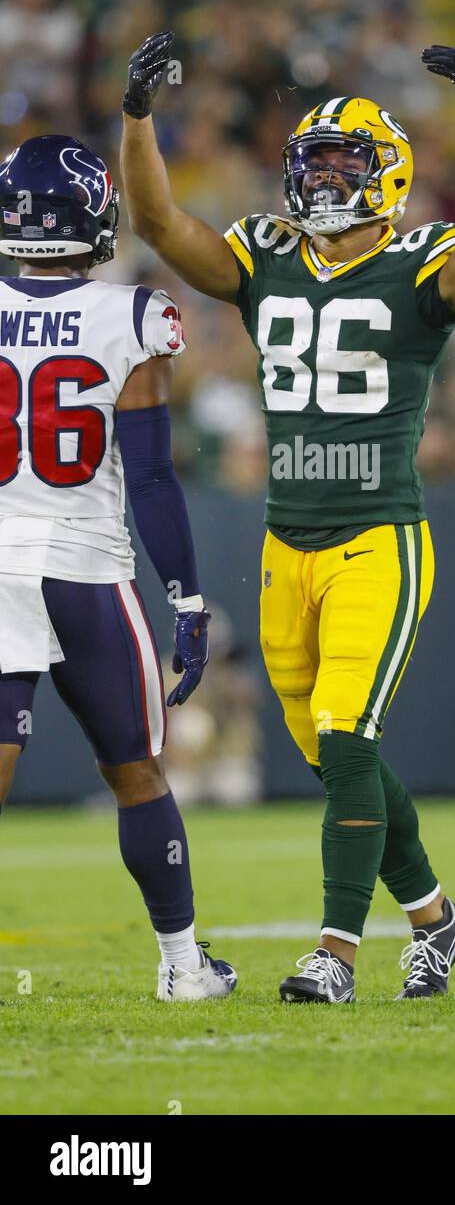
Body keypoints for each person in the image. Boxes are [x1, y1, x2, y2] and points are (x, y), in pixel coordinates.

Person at [120, 34, 455, 1002]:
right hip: (285, 542)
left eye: (347, 164)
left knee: (347, 739)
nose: (326, 181)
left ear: (387, 177)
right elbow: (155, 218)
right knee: (331, 754)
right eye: (314, 164)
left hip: (376, 539)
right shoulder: (266, 255)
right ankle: (437, 919)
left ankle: (336, 953)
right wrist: (138, 118)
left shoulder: (422, 260)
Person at [0, 133, 236, 1003]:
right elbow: (149, 473)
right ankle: (181, 968)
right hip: (86, 572)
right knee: (136, 772)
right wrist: (188, 594)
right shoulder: (132, 314)